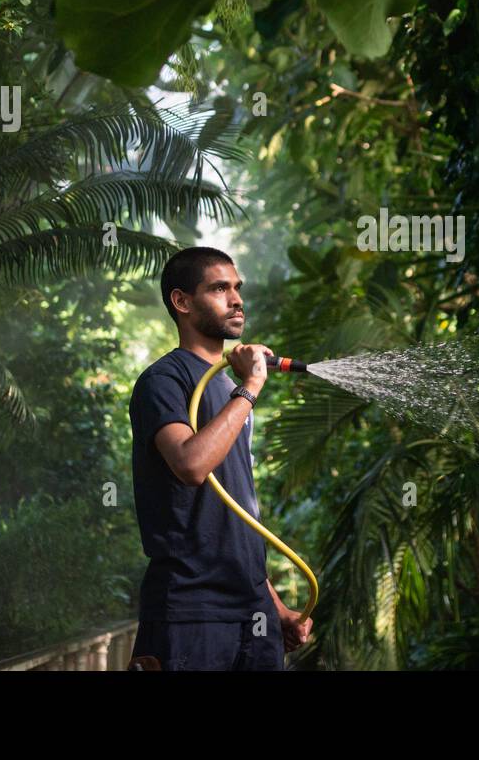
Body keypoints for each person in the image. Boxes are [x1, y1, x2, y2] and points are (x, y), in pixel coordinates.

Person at [127, 246, 313, 670]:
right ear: (182, 301)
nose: (236, 299)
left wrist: (276, 606)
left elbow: (235, 514)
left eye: (237, 288)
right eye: (219, 288)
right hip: (191, 609)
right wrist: (251, 387)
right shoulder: (164, 380)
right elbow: (191, 465)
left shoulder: (230, 390)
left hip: (253, 609)